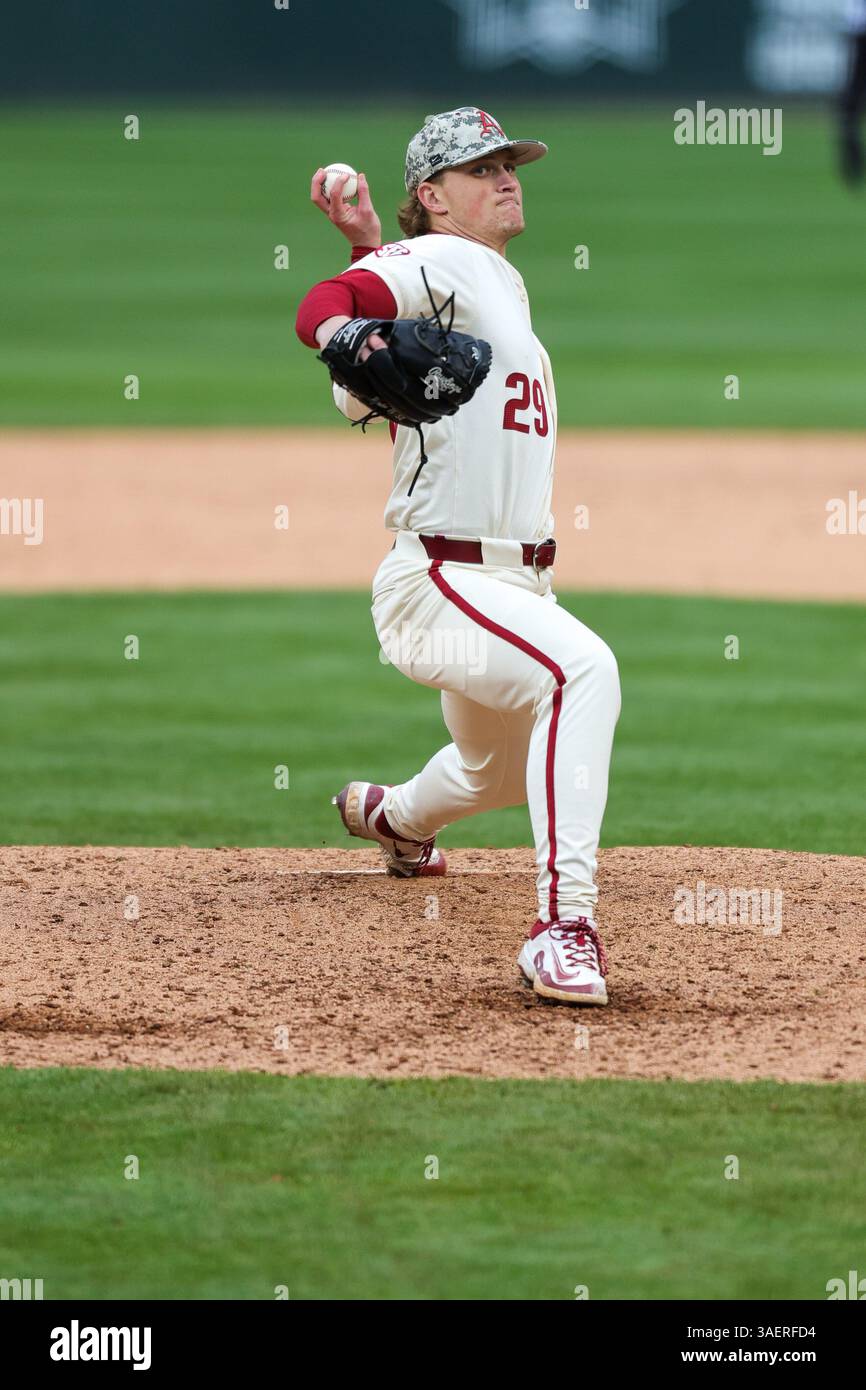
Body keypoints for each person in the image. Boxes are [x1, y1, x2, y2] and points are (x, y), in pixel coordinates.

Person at [295, 107, 621, 1005]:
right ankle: (563, 927)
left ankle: (395, 820)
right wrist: (344, 326)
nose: (506, 174)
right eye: (481, 168)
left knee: (498, 771)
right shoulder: (454, 259)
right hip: (440, 582)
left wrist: (370, 246)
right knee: (581, 673)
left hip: (509, 582)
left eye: (509, 160)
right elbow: (322, 306)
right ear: (434, 198)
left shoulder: (485, 280)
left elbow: (391, 306)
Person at [840, 0, 866, 183]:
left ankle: (852, 158)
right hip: (860, 28)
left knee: (852, 97)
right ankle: (852, 156)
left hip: (859, 28)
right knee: (852, 98)